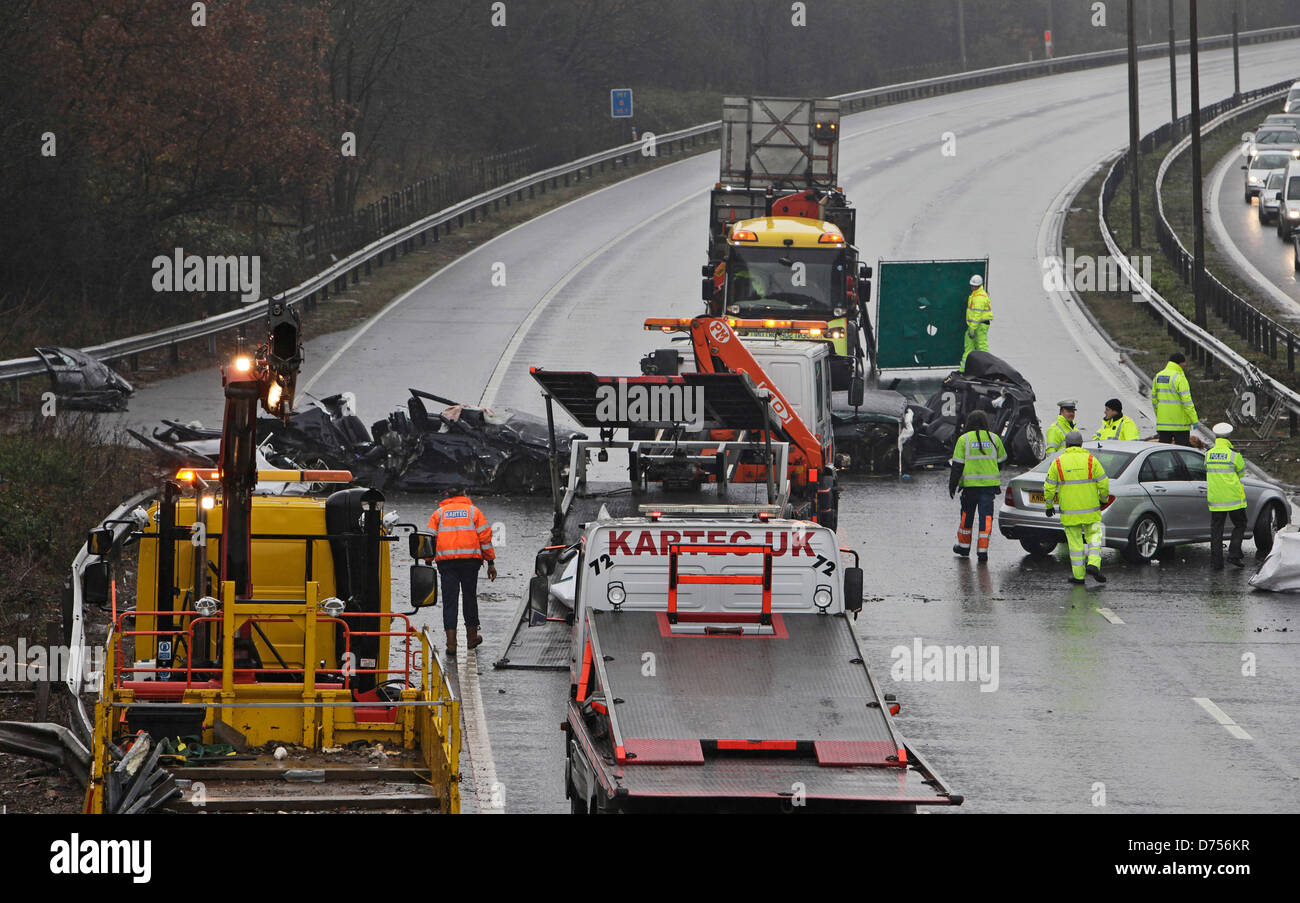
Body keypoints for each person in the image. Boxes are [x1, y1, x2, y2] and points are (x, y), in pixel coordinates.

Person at [426, 487, 497, 655]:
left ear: (446, 495)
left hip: (447, 563)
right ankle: (472, 638)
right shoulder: (474, 512)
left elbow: (429, 538)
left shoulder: (439, 514)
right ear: (464, 494)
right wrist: (491, 562)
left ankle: (451, 643)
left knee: (449, 601)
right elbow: (485, 538)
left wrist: (428, 562)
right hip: (470, 562)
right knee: (469, 598)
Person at [1042, 431, 1109, 585]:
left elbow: (1049, 487)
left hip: (1070, 513)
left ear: (1066, 445)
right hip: (1091, 510)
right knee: (1094, 538)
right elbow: (1104, 483)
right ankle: (1093, 563)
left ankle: (1078, 577)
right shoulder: (1091, 461)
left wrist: (1049, 505)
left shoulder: (1058, 462)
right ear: (1081, 445)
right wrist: (1103, 499)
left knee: (1075, 544)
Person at [949, 410, 1008, 563]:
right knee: (986, 518)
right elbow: (1002, 460)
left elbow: (957, 466)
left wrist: (952, 485)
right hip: (989, 487)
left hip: (969, 487)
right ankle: (982, 551)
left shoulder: (964, 439)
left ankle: (963, 546)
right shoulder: (994, 439)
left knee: (966, 517)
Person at [1205, 422, 1248, 570]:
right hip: (1233, 499)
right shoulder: (1234, 455)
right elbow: (1241, 473)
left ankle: (1216, 563)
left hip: (1216, 499)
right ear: (1229, 437)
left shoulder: (1208, 454)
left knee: (1216, 530)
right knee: (1240, 524)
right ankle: (1234, 554)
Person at [1152, 352, 1198, 445]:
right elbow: (1187, 402)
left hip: (1163, 425)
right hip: (1180, 425)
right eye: (1184, 363)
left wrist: (1160, 416)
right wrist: (1194, 419)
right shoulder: (1179, 378)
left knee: (1163, 452)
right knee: (1182, 451)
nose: (1185, 365)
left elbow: (1154, 400)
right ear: (1180, 363)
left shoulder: (1158, 376)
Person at [961, 274, 992, 370]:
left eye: (973, 285)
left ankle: (987, 370)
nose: (972, 287)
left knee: (982, 348)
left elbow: (977, 314)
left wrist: (972, 328)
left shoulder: (979, 298)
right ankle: (964, 370)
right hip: (974, 326)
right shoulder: (976, 295)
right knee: (971, 349)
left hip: (979, 326)